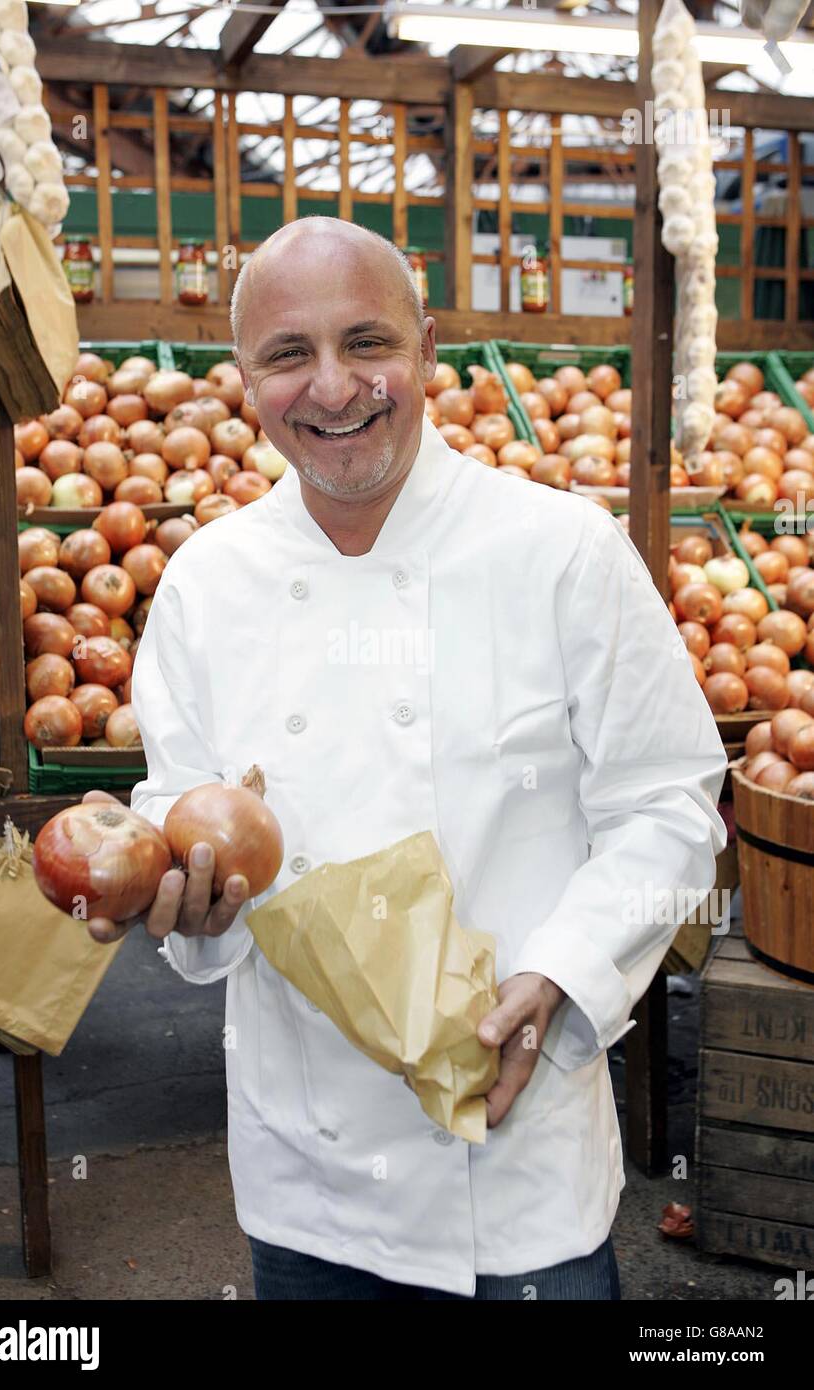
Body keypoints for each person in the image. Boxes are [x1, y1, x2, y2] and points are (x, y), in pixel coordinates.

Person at [85, 216, 727, 1301]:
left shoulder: (559, 551)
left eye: (366, 343)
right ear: (244, 381)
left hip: (516, 1151)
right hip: (310, 1176)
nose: (332, 388)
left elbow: (667, 801)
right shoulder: (205, 586)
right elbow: (180, 825)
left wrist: (562, 971)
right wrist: (182, 908)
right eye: (288, 356)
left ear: (426, 349)